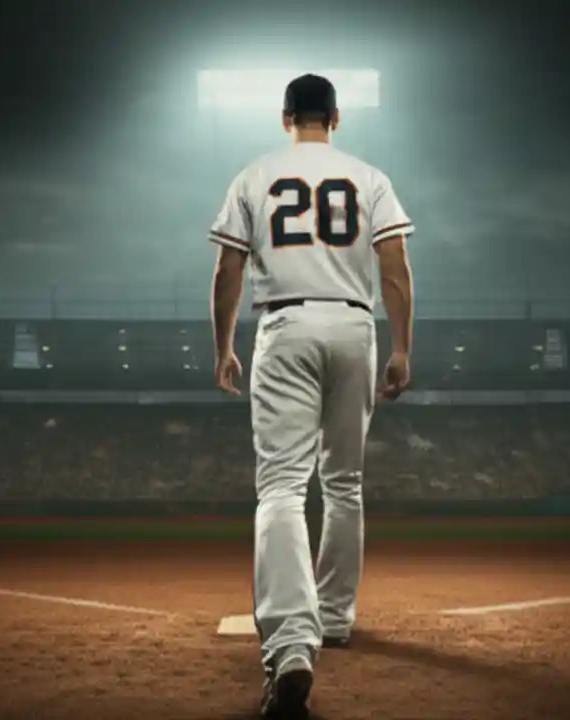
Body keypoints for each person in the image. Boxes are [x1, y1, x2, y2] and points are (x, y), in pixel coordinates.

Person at [207, 73, 416, 719]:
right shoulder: (369, 176)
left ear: (285, 117)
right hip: (355, 325)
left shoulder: (255, 174)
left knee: (282, 488)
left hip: (287, 324)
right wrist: (403, 346)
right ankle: (335, 618)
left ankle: (293, 646)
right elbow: (395, 269)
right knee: (346, 483)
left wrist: (223, 348)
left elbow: (228, 270)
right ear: (336, 118)